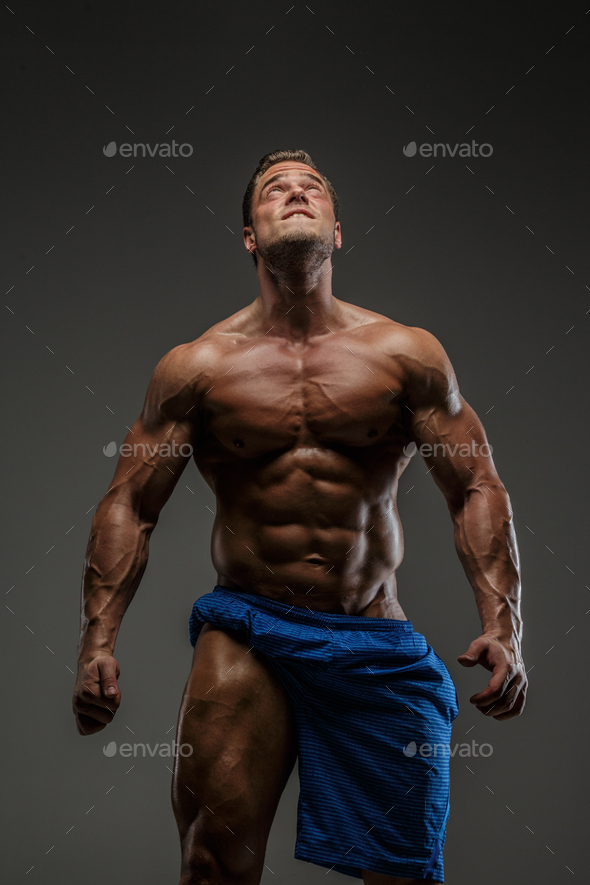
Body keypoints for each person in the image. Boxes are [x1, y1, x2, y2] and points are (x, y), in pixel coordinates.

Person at [73, 149, 527, 884]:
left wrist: (503, 625)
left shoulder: (406, 355)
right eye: (274, 189)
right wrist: (97, 642)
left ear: (337, 231)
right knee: (212, 865)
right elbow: (128, 500)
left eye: (310, 186)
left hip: (374, 635)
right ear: (249, 237)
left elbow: (477, 483)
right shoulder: (198, 367)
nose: (294, 192)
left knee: (403, 872)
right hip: (250, 628)